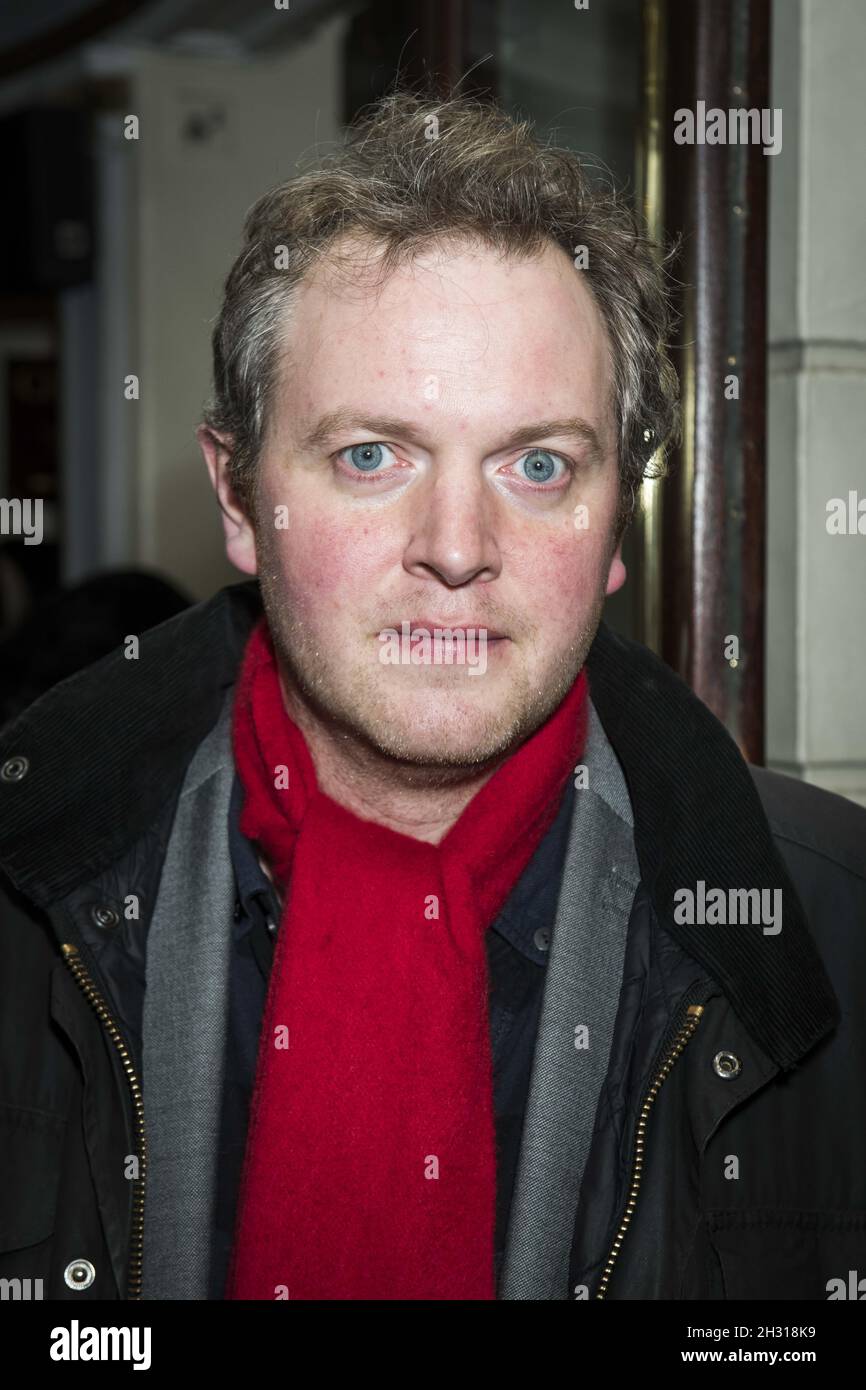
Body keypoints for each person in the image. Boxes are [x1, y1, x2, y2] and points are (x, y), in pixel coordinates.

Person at [0, 88, 864, 1304]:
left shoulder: (831, 930)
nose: (457, 544)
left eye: (538, 464)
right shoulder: (25, 903)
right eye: (371, 456)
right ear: (241, 499)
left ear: (617, 523)